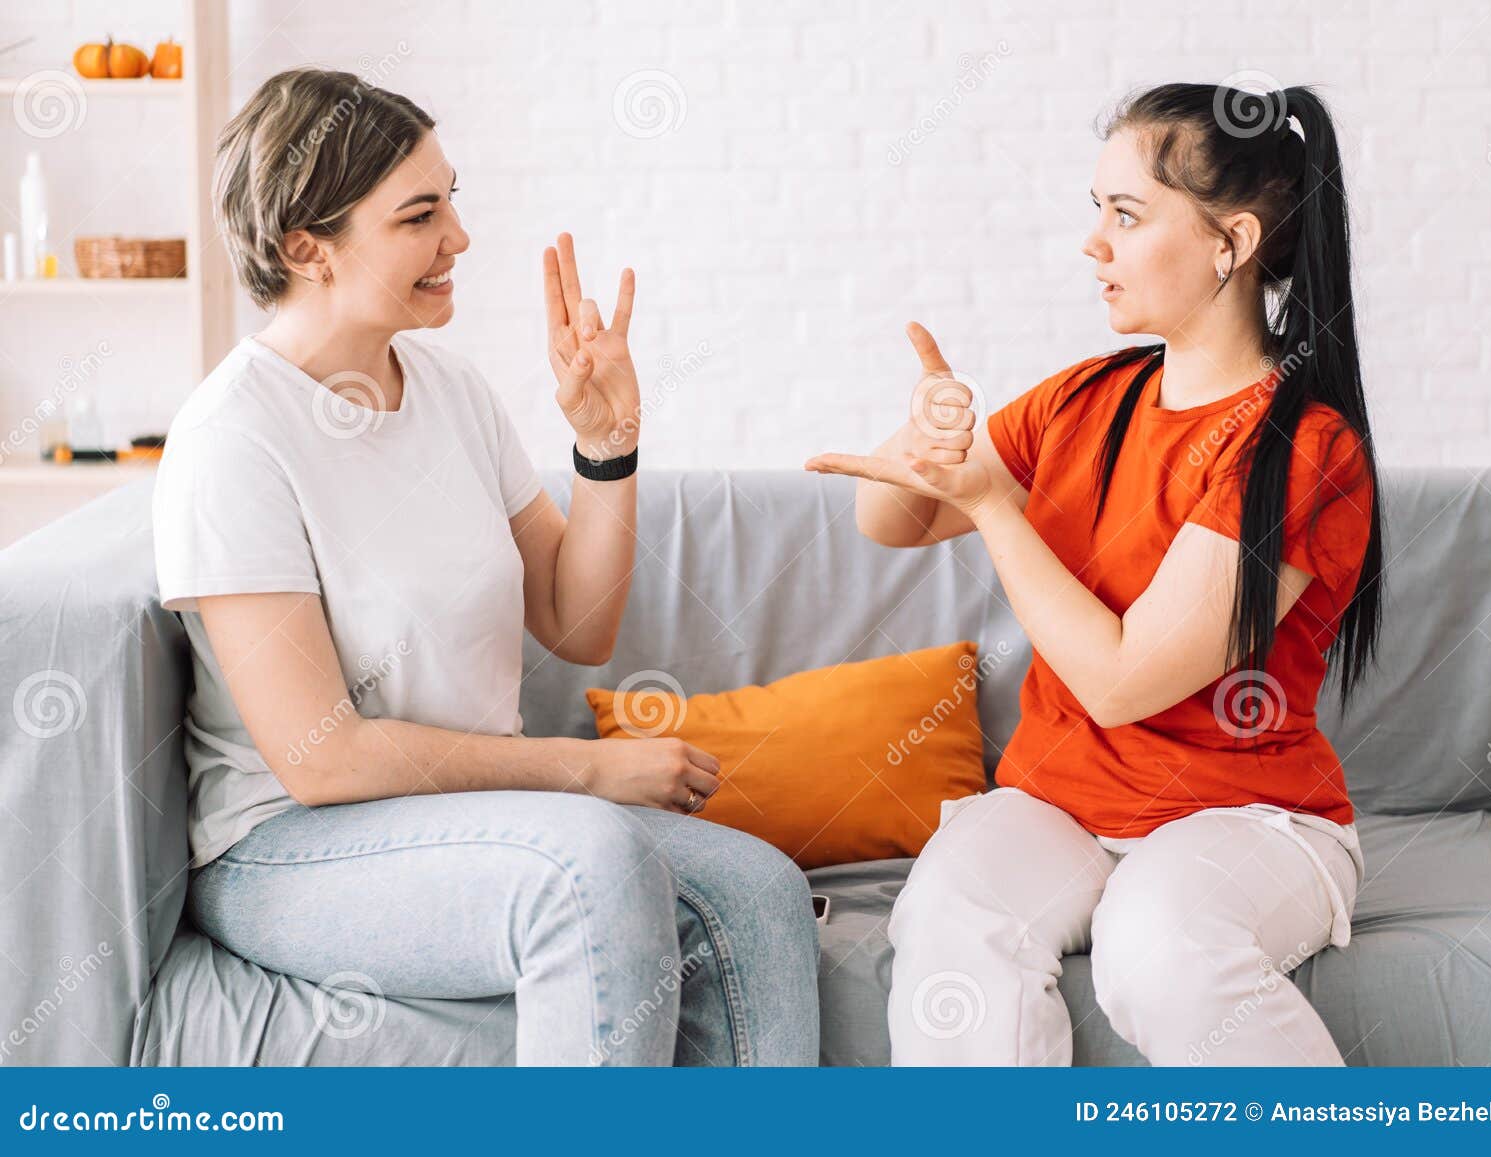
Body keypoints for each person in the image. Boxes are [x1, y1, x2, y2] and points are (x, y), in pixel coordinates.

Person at [154, 67, 819, 1066]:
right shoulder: (233, 438)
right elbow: (321, 757)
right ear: (307, 248)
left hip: (476, 816)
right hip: (289, 843)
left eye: (450, 200)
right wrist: (585, 770)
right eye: (419, 214)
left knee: (758, 888)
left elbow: (575, 620)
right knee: (586, 862)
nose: (458, 238)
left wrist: (607, 445)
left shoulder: (448, 388)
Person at [806, 83, 1383, 1066]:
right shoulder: (1086, 397)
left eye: (1126, 214)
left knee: (1156, 947)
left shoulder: (1299, 450)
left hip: (1246, 818)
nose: (1092, 244)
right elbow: (888, 522)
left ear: (1229, 244)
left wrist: (993, 501)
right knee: (946, 916)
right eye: (1096, 211)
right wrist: (930, 442)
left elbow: (1122, 682)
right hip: (1057, 804)